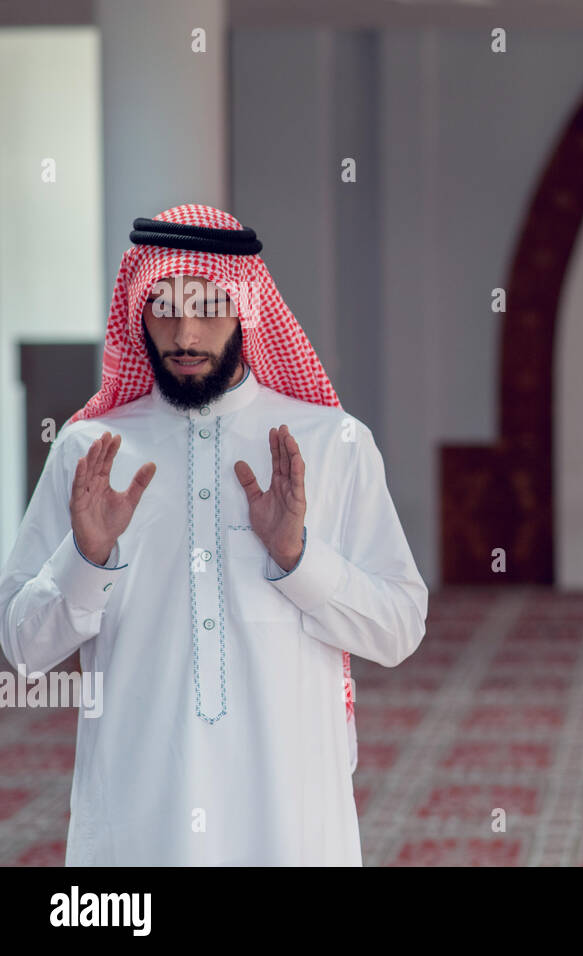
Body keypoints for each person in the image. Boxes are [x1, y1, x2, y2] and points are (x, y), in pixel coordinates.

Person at [0, 204, 429, 865]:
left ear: (249, 308)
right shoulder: (90, 452)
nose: (186, 332)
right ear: (137, 312)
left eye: (208, 305)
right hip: (140, 825)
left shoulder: (334, 444)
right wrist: (87, 558)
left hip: (290, 824)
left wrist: (298, 557)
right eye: (164, 307)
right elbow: (25, 652)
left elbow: (399, 629)